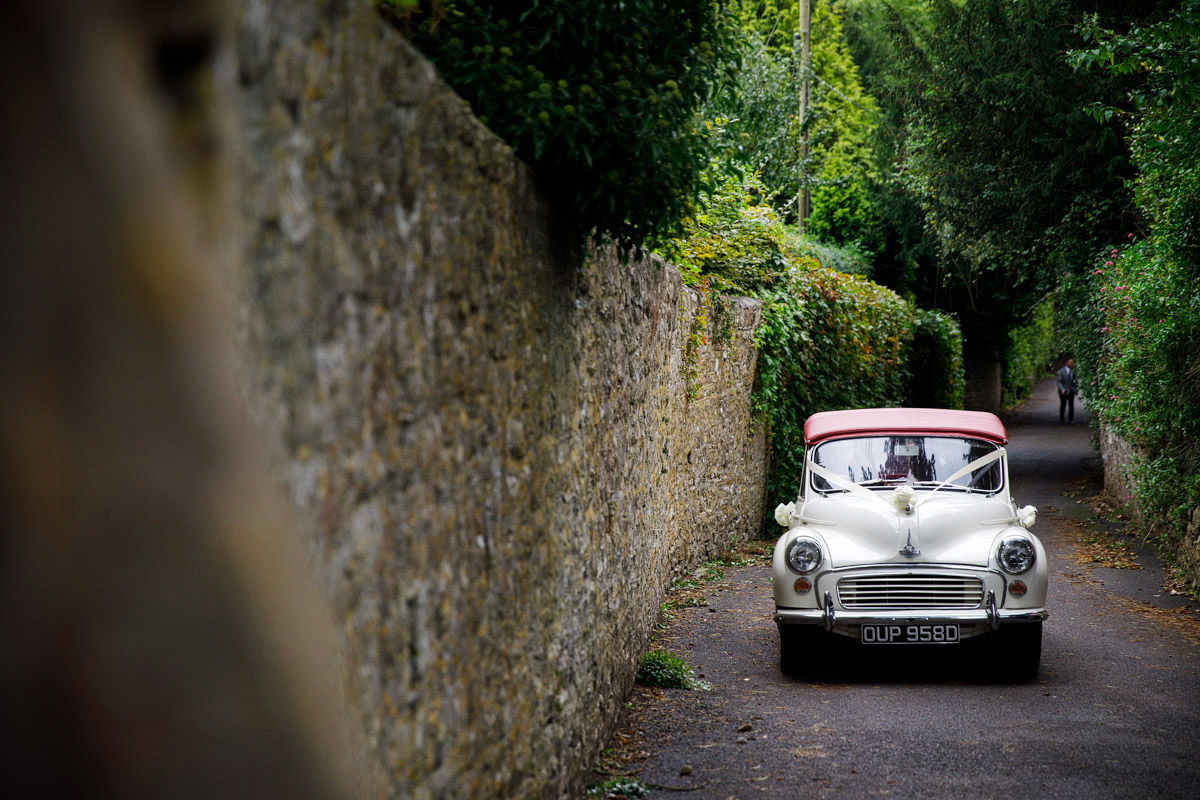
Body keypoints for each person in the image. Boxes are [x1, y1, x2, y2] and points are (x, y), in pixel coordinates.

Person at [1056, 358, 1079, 424]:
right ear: (1067, 363)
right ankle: (1062, 418)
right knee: (1063, 405)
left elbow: (1075, 381)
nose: (1072, 364)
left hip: (1071, 390)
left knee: (1071, 405)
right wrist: (1062, 389)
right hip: (1064, 390)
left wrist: (1076, 389)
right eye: (1070, 362)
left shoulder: (1073, 371)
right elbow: (1059, 381)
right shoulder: (1061, 371)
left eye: (1072, 362)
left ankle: (1071, 419)